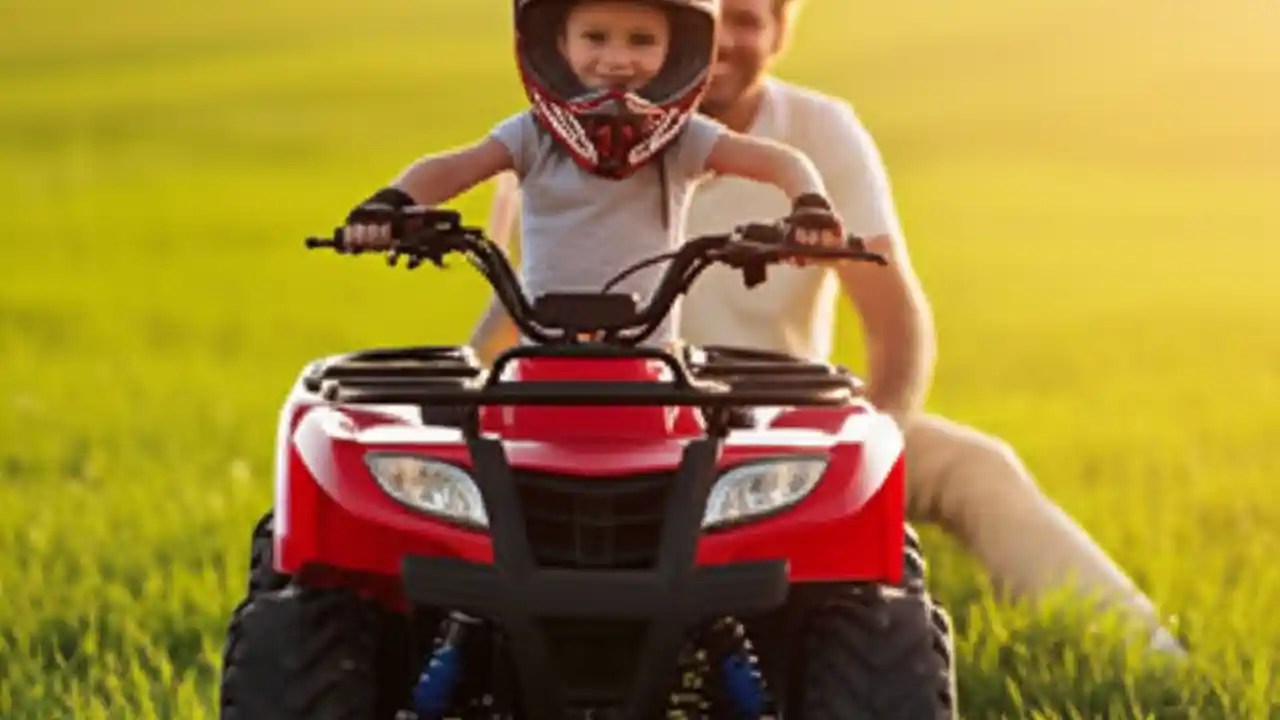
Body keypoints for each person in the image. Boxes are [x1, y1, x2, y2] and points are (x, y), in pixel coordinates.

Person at [472, 0, 1186, 656]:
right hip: (610, 425)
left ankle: (1153, 662)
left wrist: (876, 445)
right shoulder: (572, 128)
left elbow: (894, 317)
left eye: (746, 18)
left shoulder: (816, 135)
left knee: (975, 466)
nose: (722, 38)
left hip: (783, 425)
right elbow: (515, 317)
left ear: (781, 33)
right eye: (706, 16)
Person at [340, 0, 849, 351]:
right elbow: (453, 167)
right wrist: (390, 204)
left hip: (653, 360)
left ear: (677, 50)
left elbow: (781, 162)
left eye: (642, 40)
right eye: (595, 38)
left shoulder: (680, 139)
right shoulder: (533, 134)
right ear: (558, 43)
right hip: (538, 358)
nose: (618, 59)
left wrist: (809, 206)